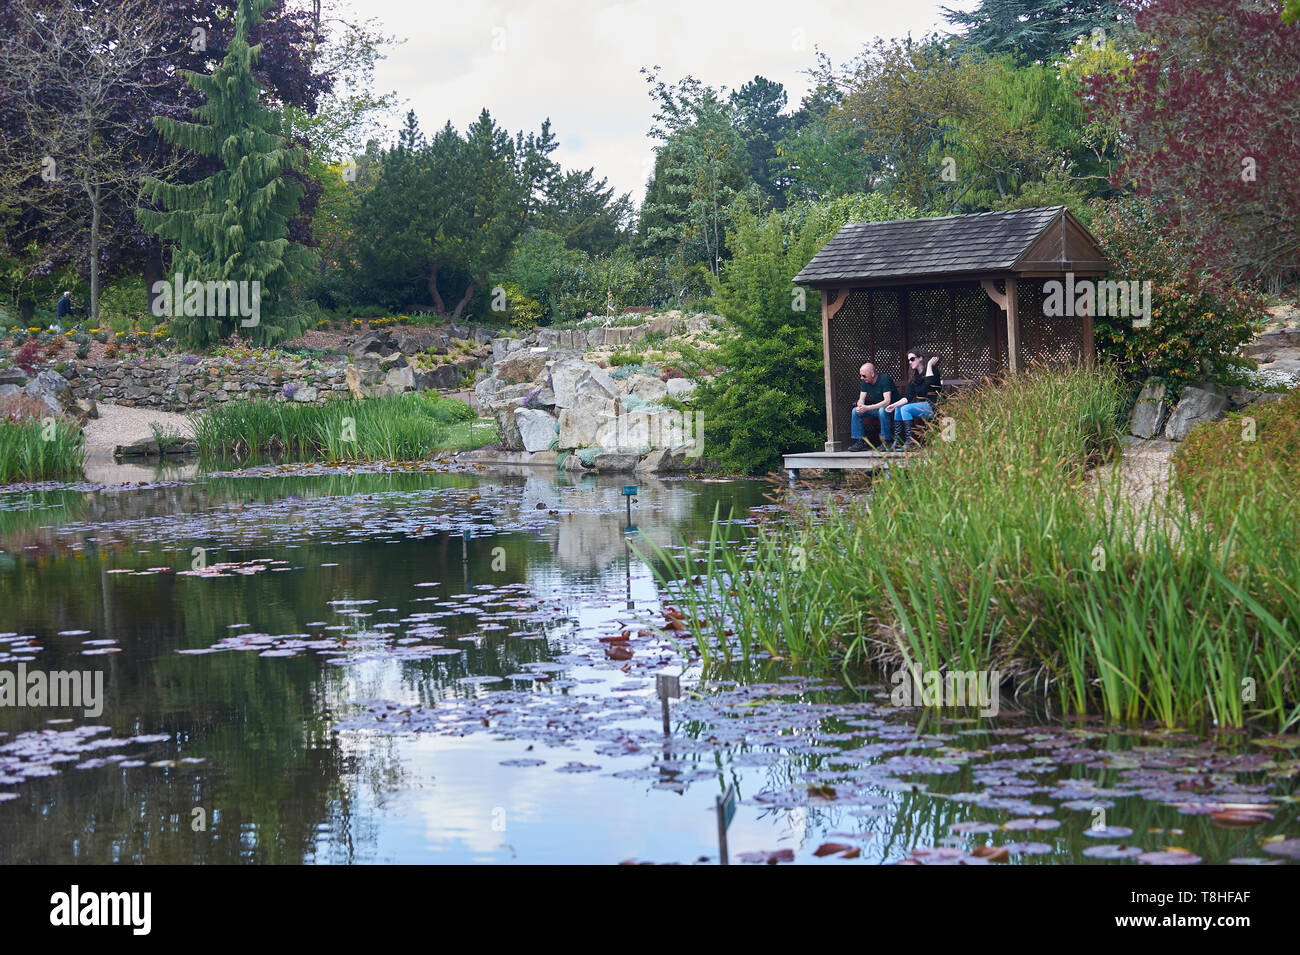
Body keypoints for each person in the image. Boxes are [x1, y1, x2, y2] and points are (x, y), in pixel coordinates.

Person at [884, 351, 941, 449]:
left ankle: (911, 442)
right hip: (923, 406)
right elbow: (908, 396)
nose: (910, 362)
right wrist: (894, 405)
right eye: (908, 360)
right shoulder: (913, 376)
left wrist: (929, 365)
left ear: (920, 358)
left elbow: (927, 388)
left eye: (912, 359)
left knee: (905, 409)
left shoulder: (933, 371)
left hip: (934, 406)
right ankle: (898, 441)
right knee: (899, 408)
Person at [847, 362, 895, 451]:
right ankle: (860, 442)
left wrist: (867, 408)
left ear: (872, 374)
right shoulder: (865, 381)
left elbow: (887, 401)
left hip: (892, 409)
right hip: (878, 409)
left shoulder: (884, 379)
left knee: (882, 410)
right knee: (855, 411)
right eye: (861, 375)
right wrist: (860, 406)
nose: (861, 378)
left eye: (864, 376)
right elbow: (861, 399)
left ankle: (886, 442)